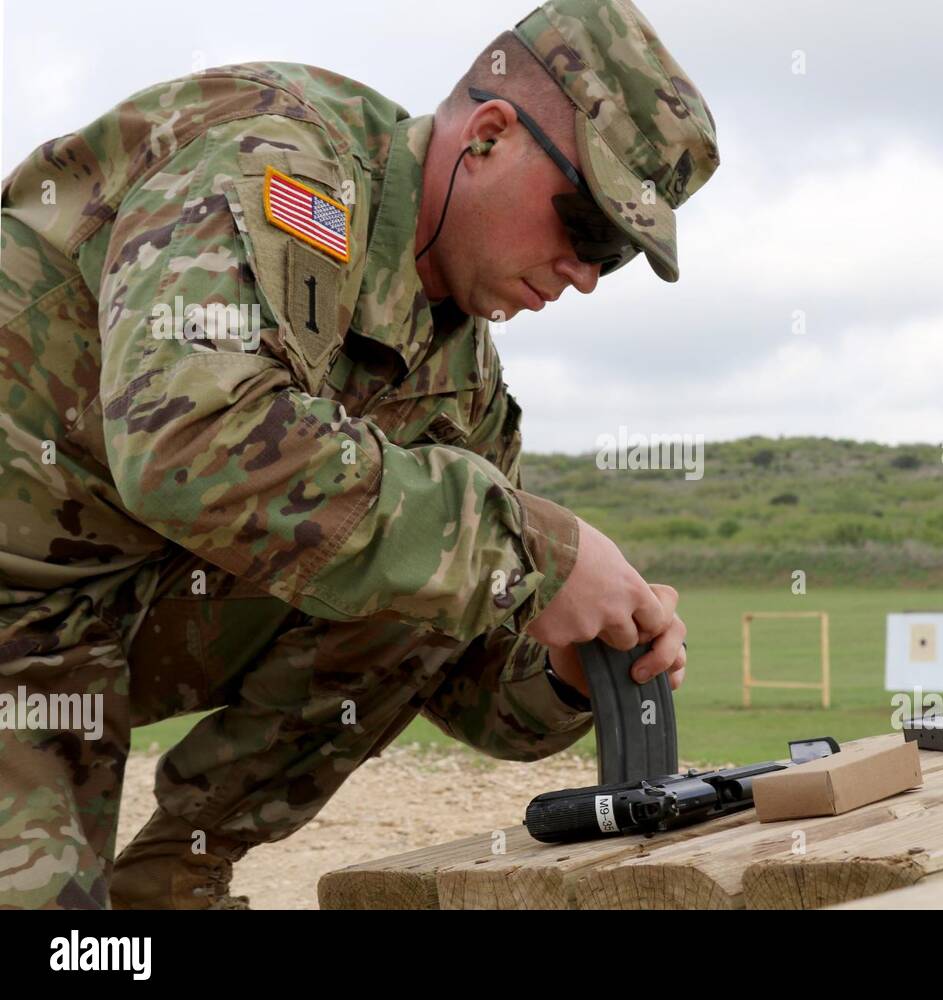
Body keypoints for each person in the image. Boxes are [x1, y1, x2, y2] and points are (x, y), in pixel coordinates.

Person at [0, 0, 719, 909]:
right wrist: (534, 552)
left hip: (115, 611)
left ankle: (176, 876)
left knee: (443, 571)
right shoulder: (280, 160)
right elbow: (189, 443)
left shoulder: (460, 385)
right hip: (16, 601)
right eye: (585, 224)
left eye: (614, 256)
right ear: (490, 133)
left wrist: (576, 667)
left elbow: (459, 662)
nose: (584, 273)